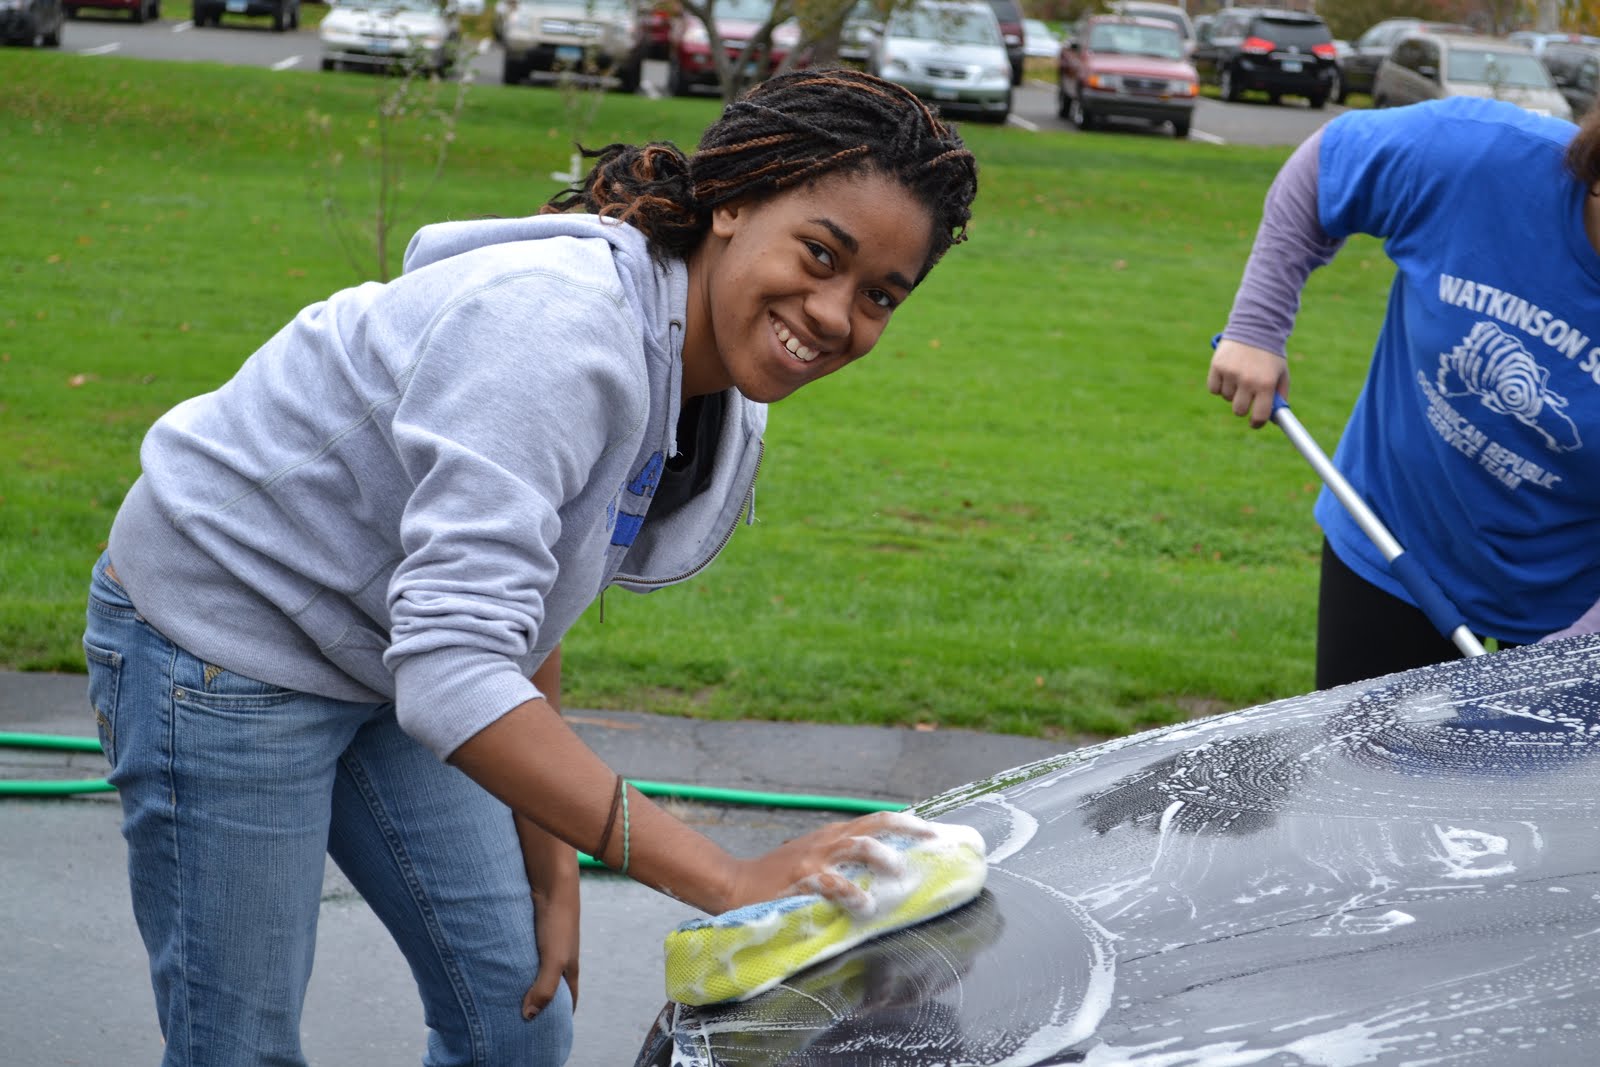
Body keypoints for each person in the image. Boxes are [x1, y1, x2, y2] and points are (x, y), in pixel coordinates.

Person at [82, 69, 978, 1066]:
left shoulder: (701, 371)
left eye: (878, 295)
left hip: (390, 645)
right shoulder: (557, 332)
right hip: (223, 639)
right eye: (820, 254)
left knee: (516, 1014)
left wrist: (553, 871)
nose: (834, 313)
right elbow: (455, 667)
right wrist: (726, 877)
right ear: (733, 202)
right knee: (239, 1048)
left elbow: (528, 598)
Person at [1207, 96, 1600, 691]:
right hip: (1395, 539)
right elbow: (1328, 164)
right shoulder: (1479, 156)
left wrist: (1561, 662)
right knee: (1368, 751)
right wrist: (1257, 326)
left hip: (1571, 598)